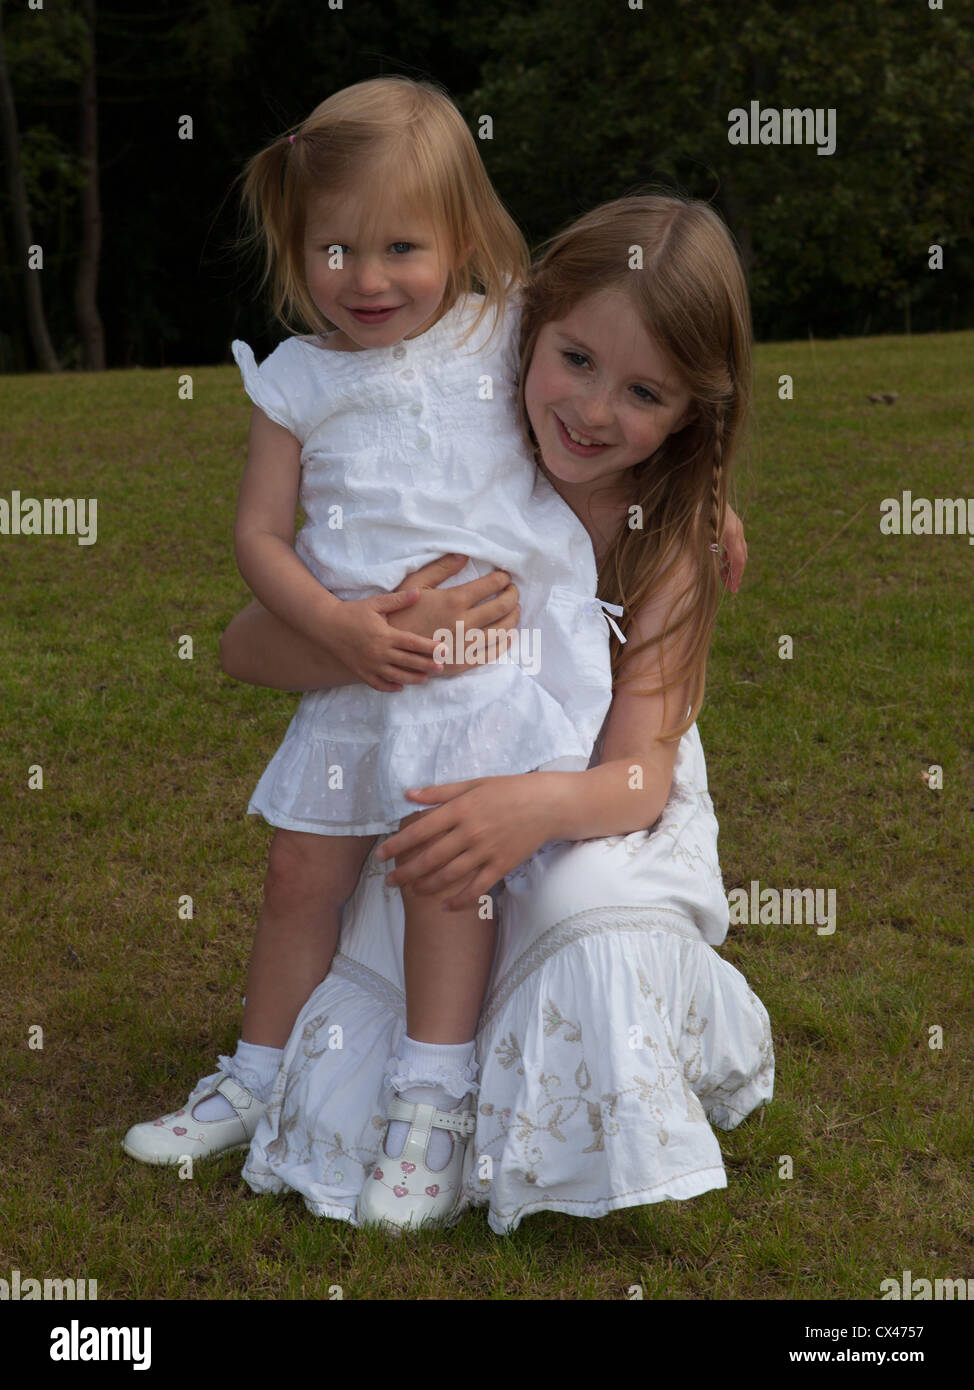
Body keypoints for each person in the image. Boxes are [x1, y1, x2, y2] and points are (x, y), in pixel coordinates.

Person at [222, 193, 774, 1234]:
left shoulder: (669, 542)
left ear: (694, 411)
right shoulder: (459, 464)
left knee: (574, 917)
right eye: (572, 359)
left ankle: (643, 1041)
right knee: (413, 944)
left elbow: (637, 776)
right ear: (523, 330)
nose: (593, 411)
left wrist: (528, 809)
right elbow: (240, 648)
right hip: (451, 784)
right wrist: (384, 632)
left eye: (644, 392)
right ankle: (421, 1087)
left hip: (596, 809)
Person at [122, 75, 630, 1203]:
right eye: (333, 249)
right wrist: (338, 627)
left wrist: (703, 500)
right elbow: (258, 537)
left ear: (462, 236)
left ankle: (430, 1102)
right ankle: (253, 1075)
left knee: (448, 872)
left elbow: (601, 416)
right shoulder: (296, 380)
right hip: (355, 669)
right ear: (294, 247)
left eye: (402, 246)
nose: (365, 278)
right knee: (298, 868)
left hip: (477, 675)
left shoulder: (503, 333)